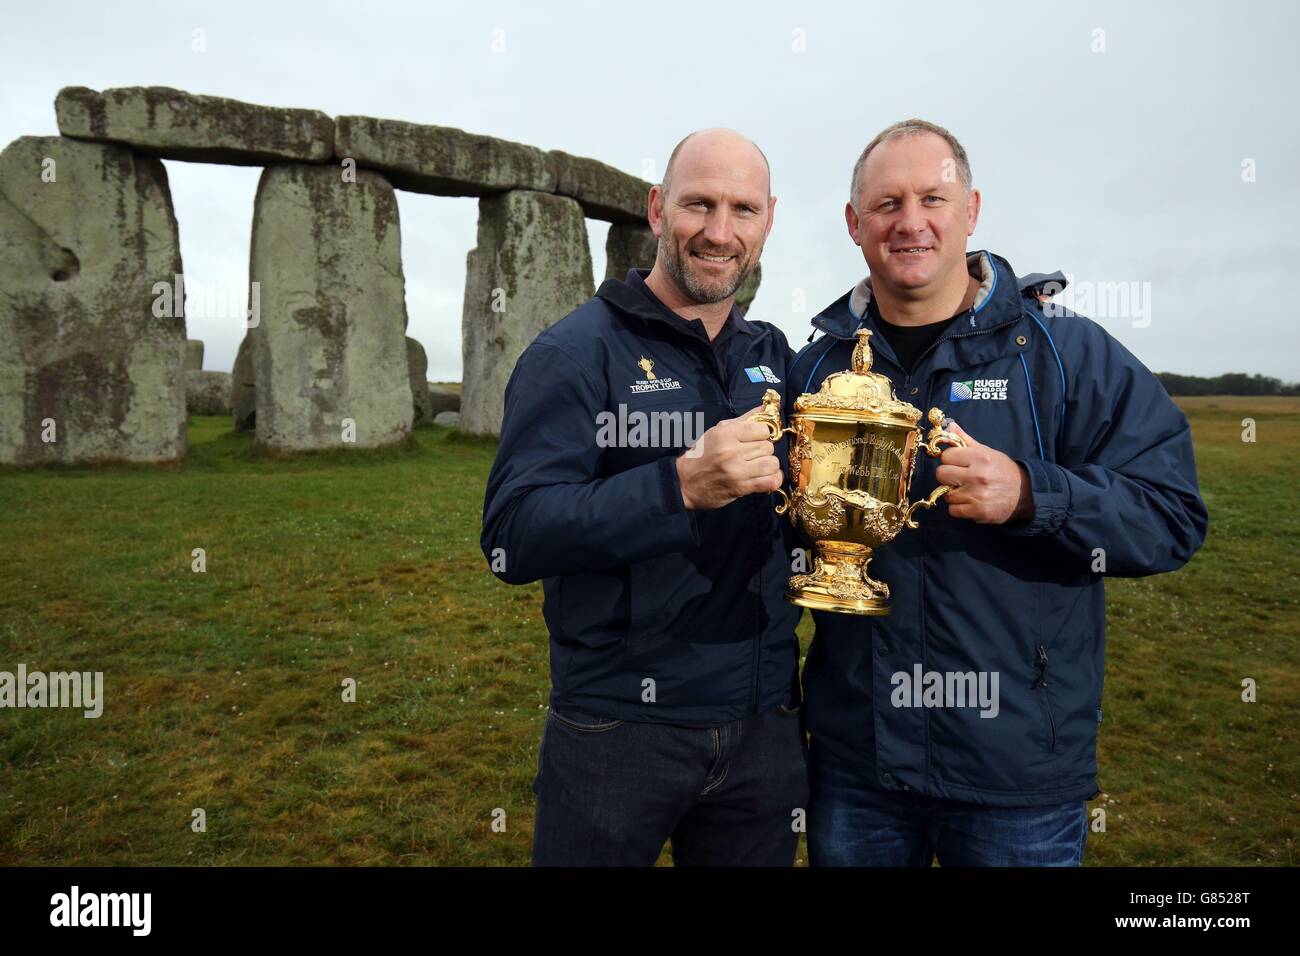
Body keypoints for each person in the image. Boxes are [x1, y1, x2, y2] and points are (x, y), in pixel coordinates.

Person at [788, 119, 1208, 867]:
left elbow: (1172, 516)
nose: (910, 222)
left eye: (933, 198)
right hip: (859, 766)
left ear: (972, 210)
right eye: (886, 204)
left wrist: (1033, 495)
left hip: (1016, 771)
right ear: (855, 225)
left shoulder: (1063, 350)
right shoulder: (817, 368)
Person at [481, 128, 808, 866]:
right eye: (698, 204)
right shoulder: (574, 352)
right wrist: (678, 486)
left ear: (768, 219)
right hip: (617, 729)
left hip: (763, 727)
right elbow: (512, 533)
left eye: (742, 210)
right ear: (658, 209)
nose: (718, 232)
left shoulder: (776, 358)